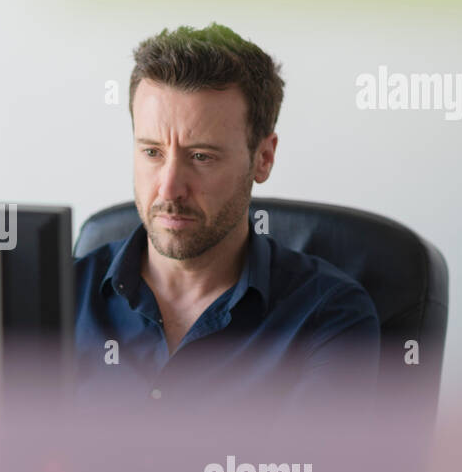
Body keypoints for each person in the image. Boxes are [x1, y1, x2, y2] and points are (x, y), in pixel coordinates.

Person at [73, 23, 380, 426]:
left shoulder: (329, 318)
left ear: (263, 158)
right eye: (152, 152)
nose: (170, 187)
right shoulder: (60, 299)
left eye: (201, 157)